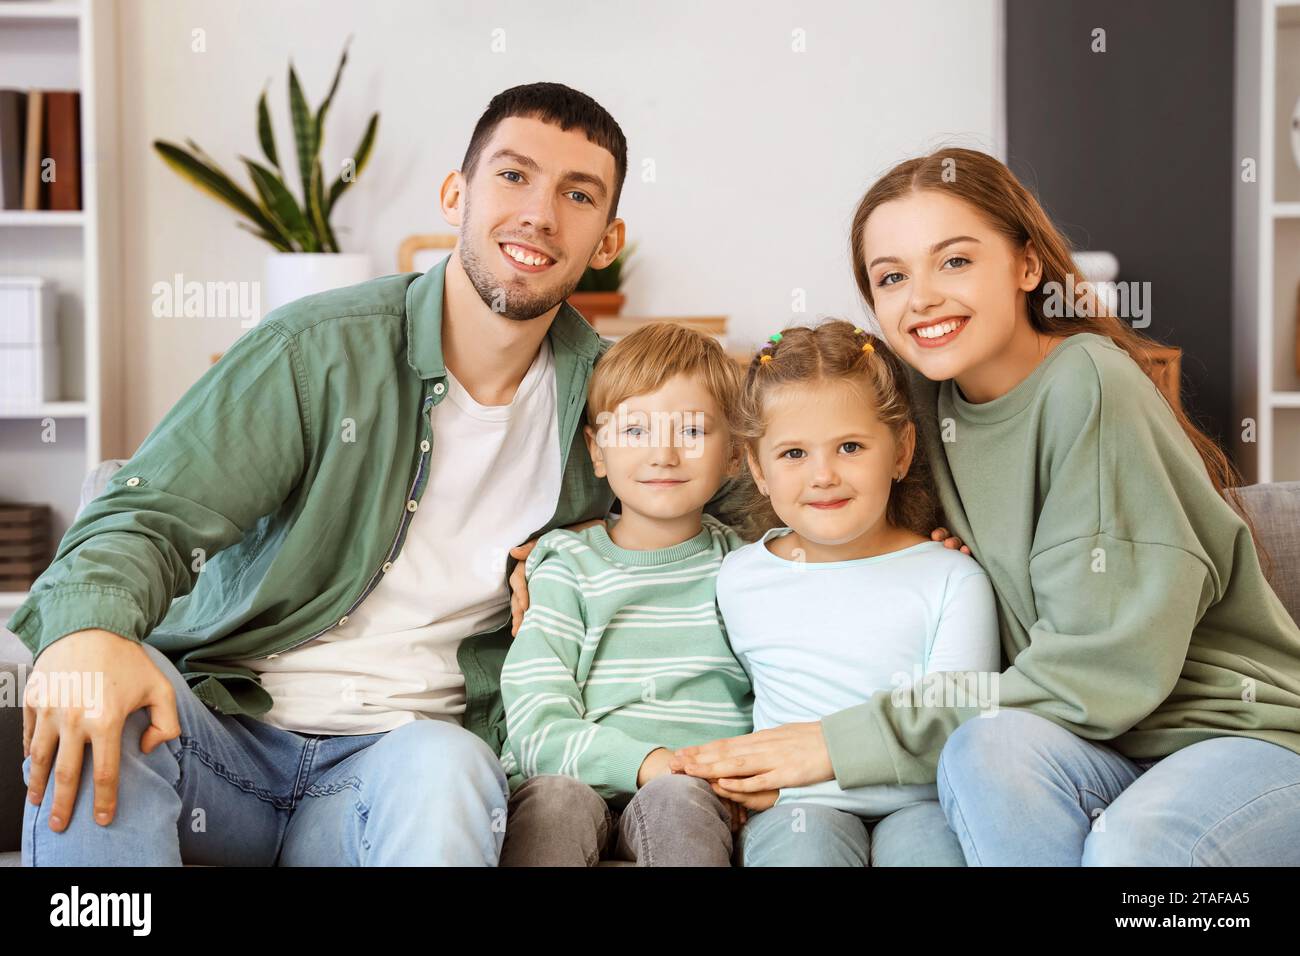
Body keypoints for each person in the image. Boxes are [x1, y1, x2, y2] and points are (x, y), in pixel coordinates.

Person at [15, 81, 740, 866]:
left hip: (402, 769)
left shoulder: (619, 404)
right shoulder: (316, 351)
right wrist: (86, 632)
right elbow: (145, 515)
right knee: (99, 687)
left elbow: (764, 524)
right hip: (221, 738)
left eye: (577, 193)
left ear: (608, 239)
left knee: (451, 764)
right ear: (454, 194)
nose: (540, 213)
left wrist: (609, 540)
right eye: (512, 176)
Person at [671, 147, 1300, 865]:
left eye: (956, 261)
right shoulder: (923, 399)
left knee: (1135, 849)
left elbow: (1098, 673)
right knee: (980, 749)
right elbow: (773, 461)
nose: (923, 297)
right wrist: (578, 533)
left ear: (1028, 267)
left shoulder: (1088, 385)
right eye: (892, 277)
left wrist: (840, 743)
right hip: (1085, 747)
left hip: (1231, 738)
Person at [715, 320, 999, 866]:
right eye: (794, 454)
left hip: (924, 804)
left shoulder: (953, 579)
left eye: (849, 446)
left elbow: (955, 728)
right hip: (793, 807)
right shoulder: (737, 576)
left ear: (900, 450)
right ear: (757, 466)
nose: (823, 475)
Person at [499, 323, 753, 867]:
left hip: (695, 793)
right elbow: (534, 723)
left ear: (735, 454)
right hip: (567, 782)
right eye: (634, 431)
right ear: (597, 450)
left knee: (679, 801)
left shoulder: (752, 567)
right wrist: (648, 762)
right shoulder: (567, 565)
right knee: (554, 802)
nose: (662, 454)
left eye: (690, 431)